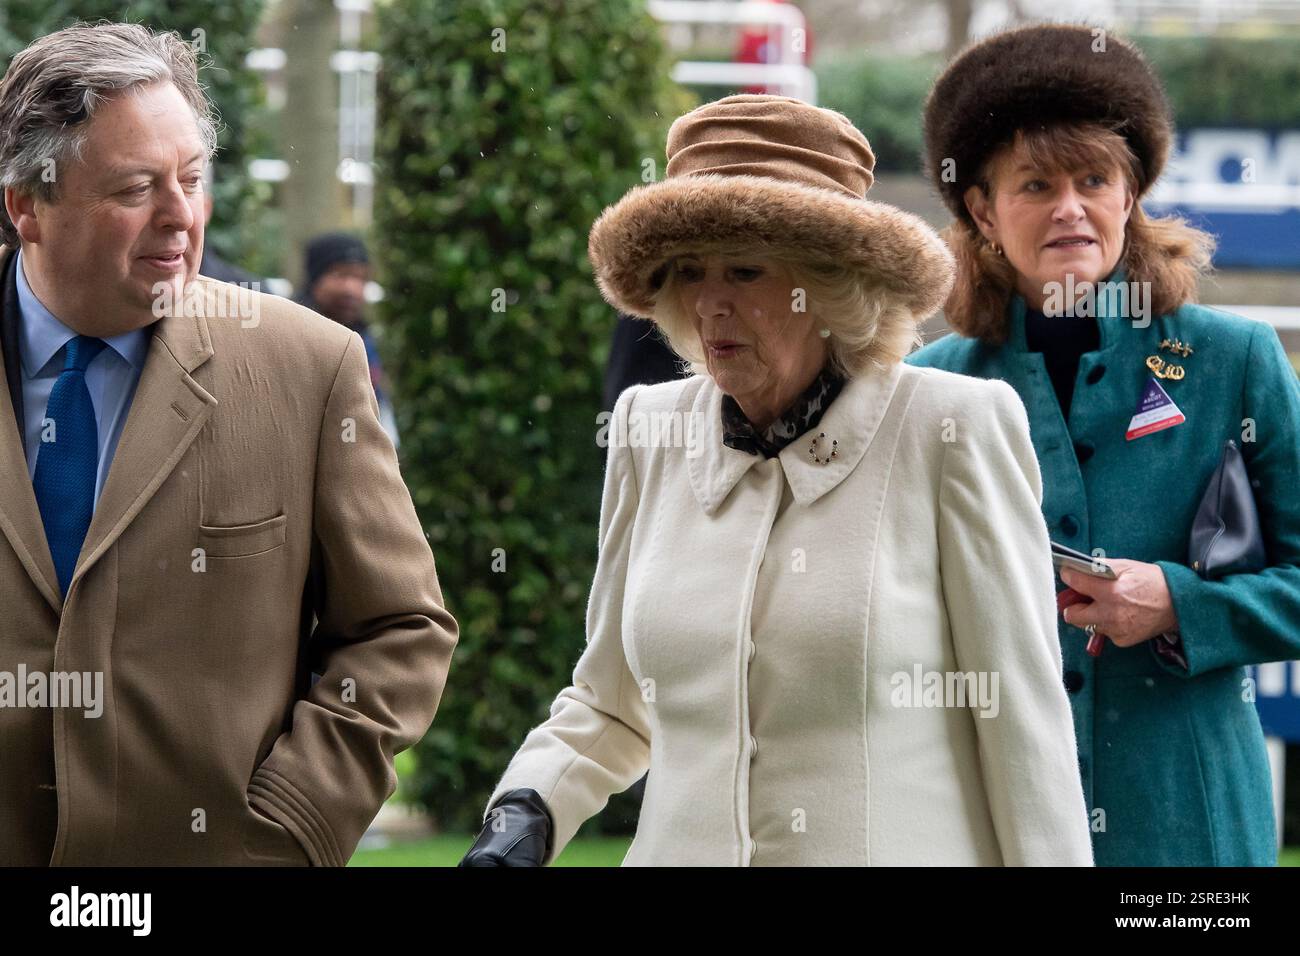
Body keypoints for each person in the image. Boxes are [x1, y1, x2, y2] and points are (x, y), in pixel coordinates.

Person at [462, 93, 1093, 866]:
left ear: (831, 284)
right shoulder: (649, 428)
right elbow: (613, 702)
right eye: (689, 271)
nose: (710, 301)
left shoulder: (949, 427)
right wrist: (526, 809)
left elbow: (1020, 724)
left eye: (747, 269)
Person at [0, 22, 457, 866]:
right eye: (137, 187)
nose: (181, 216)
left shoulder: (309, 366)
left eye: (193, 178)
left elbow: (400, 628)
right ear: (26, 205)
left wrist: (289, 830)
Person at [906, 23, 1300, 865]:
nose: (1070, 209)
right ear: (982, 208)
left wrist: (1183, 604)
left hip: (1186, 828)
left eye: (1095, 179)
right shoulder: (931, 385)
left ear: (1131, 197)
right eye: (1035, 184)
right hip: (985, 821)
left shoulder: (1236, 360)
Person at [294, 232, 399, 446]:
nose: (351, 288)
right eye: (341, 275)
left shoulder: (365, 338)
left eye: (361, 278)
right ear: (315, 279)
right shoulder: (290, 333)